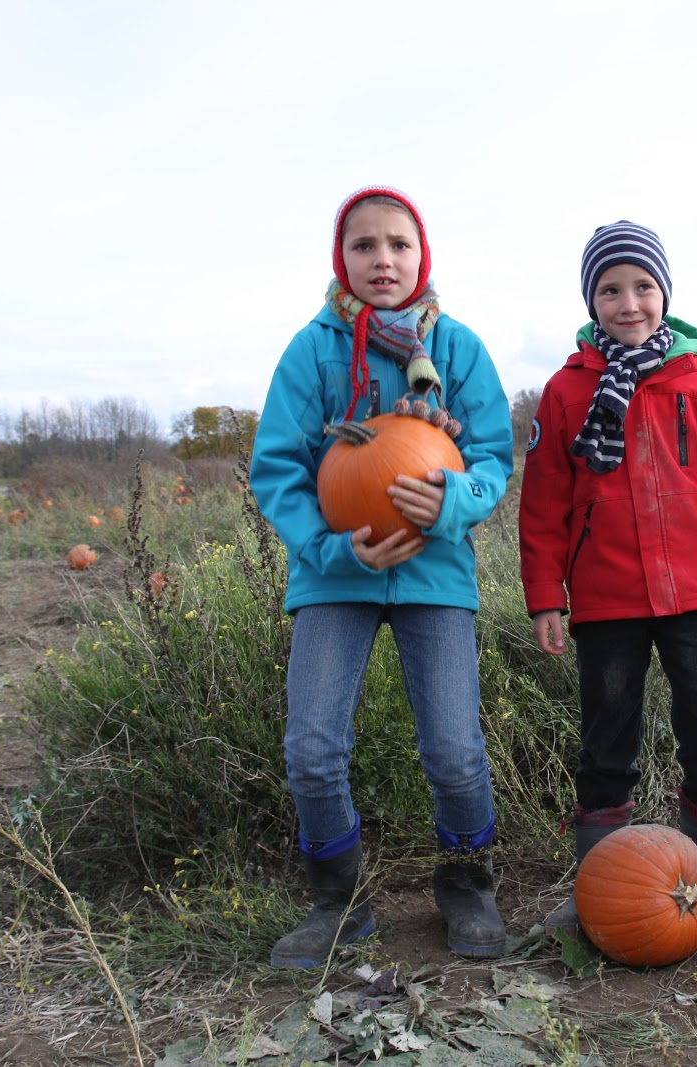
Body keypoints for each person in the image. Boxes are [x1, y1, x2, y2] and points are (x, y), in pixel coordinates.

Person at [249, 185, 514, 968]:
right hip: (337, 575)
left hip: (436, 575)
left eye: (398, 244)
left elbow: (493, 456)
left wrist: (450, 502)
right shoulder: (312, 351)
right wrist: (335, 550)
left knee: (455, 748)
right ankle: (339, 899)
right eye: (364, 246)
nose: (383, 259)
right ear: (343, 260)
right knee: (312, 746)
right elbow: (278, 471)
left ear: (420, 253)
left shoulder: (457, 347)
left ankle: (468, 881)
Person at [518, 220, 697, 933]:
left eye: (642, 287)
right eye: (610, 290)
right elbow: (543, 508)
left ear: (665, 293)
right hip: (606, 596)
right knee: (607, 739)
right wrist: (545, 597)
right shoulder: (567, 391)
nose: (628, 303)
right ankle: (601, 877)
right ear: (591, 302)